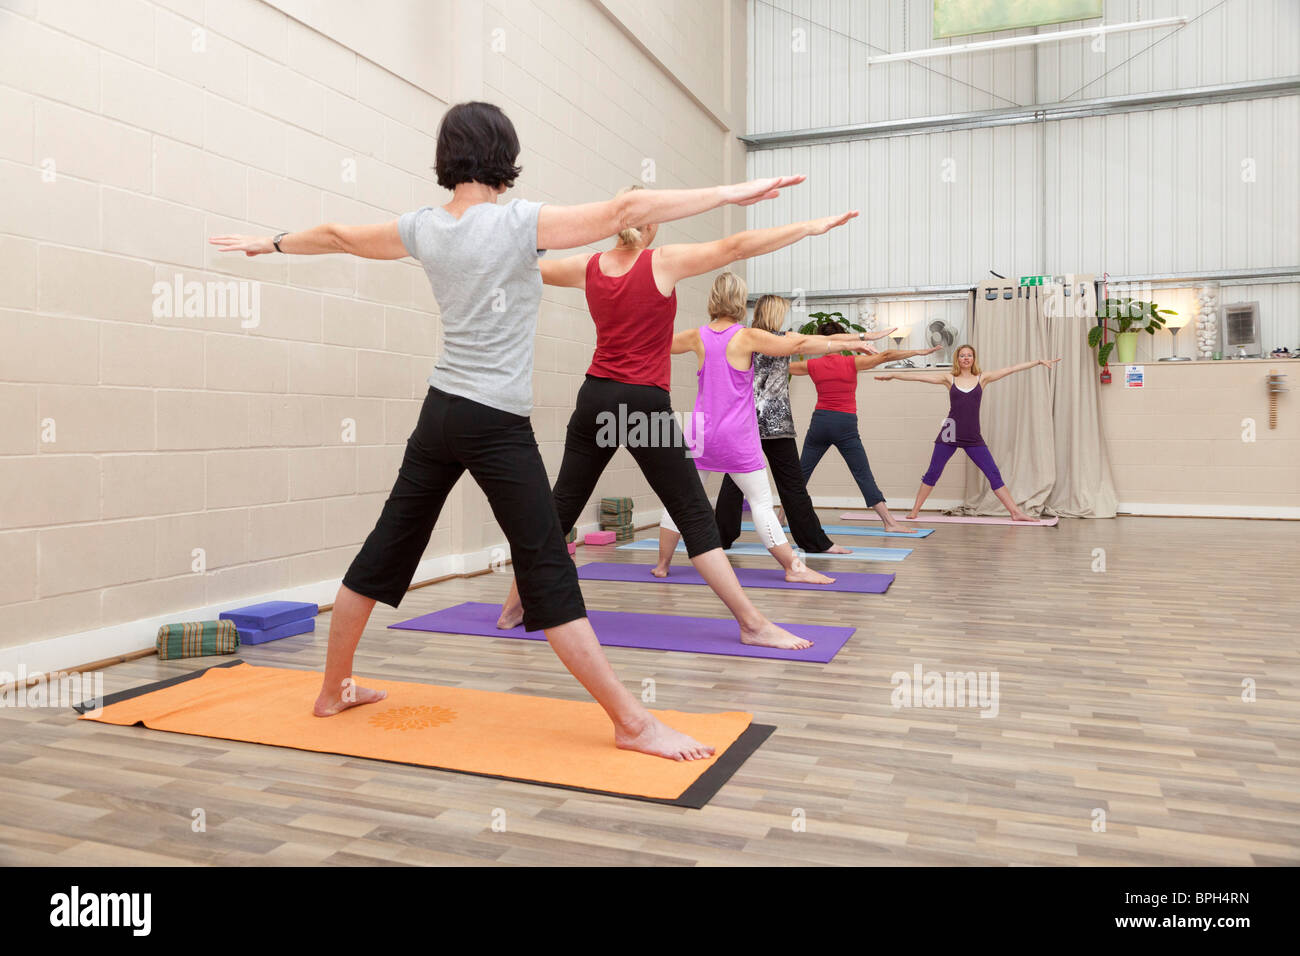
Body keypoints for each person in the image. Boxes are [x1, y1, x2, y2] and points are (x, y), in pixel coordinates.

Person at [210, 100, 805, 760]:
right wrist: (731, 192)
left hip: (440, 412)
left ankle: (333, 690)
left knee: (386, 545)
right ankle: (633, 723)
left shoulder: (423, 227)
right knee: (546, 562)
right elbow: (624, 212)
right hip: (493, 421)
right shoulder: (521, 222)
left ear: (447, 156)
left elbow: (338, 235)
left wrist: (273, 243)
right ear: (505, 155)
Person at [496, 194, 858, 651]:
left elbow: (528, 267)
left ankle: (513, 607)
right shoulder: (661, 262)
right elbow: (736, 246)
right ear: (649, 225)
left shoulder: (588, 265)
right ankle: (751, 623)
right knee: (692, 511)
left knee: (561, 505)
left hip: (596, 400)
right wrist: (808, 227)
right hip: (643, 405)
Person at [654, 273, 880, 594]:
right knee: (761, 503)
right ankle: (793, 568)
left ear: (712, 299)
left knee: (680, 498)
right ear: (739, 301)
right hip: (735, 436)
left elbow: (655, 344)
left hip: (700, 434)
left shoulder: (695, 336)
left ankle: (662, 565)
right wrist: (852, 341)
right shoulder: (746, 337)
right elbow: (798, 343)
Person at [713, 295, 895, 553]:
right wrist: (862, 338)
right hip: (775, 424)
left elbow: (820, 340)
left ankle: (720, 538)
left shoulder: (747, 338)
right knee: (792, 486)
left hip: (747, 421)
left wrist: (861, 338)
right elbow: (819, 342)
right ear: (774, 313)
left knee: (734, 481)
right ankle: (815, 542)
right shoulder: (781, 340)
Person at [875, 343, 1061, 522]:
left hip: (972, 435)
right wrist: (893, 375)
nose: (966, 358)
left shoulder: (982, 378)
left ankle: (1015, 512)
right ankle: (915, 511)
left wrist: (1037, 362)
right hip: (950, 432)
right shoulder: (949, 378)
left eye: (969, 355)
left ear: (973, 359)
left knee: (993, 474)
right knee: (933, 472)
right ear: (957, 359)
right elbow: (919, 377)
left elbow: (1011, 369)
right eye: (962, 355)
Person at [793, 318, 940, 533]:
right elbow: (887, 355)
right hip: (845, 424)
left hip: (820, 422)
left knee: (801, 473)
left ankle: (781, 517)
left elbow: (782, 367)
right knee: (862, 473)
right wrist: (919, 351)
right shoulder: (852, 362)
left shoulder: (811, 365)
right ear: (843, 339)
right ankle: (889, 523)